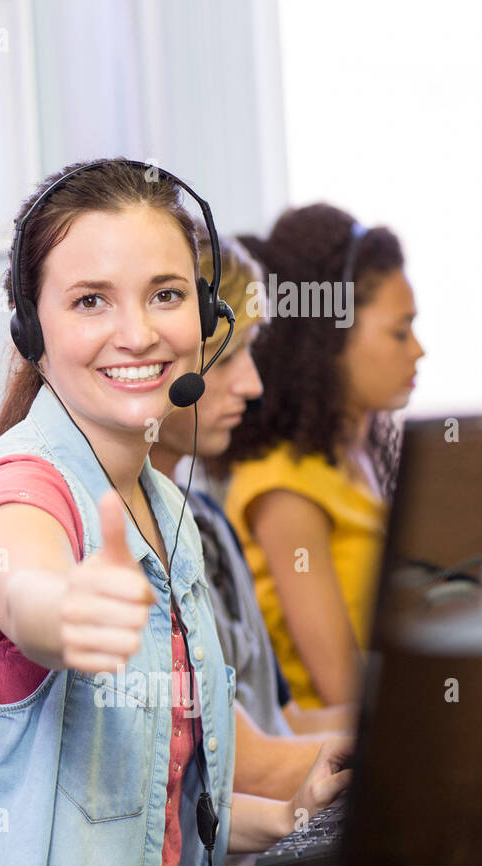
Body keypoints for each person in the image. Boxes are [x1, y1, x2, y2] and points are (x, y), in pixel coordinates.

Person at [0, 159, 349, 866]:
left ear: (204, 316)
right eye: (90, 301)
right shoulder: (17, 491)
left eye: (165, 295)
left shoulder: (165, 506)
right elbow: (24, 585)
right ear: (30, 331)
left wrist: (296, 814)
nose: (137, 334)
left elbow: (165, 813)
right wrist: (61, 612)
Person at [150, 231, 352, 809]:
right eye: (230, 354)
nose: (254, 385)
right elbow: (249, 767)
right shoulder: (122, 529)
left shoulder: (206, 518)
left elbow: (283, 721)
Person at [215, 205, 422, 709]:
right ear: (331, 340)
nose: (418, 350)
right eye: (400, 331)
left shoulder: (362, 458)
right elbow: (346, 692)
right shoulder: (285, 487)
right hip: (343, 764)